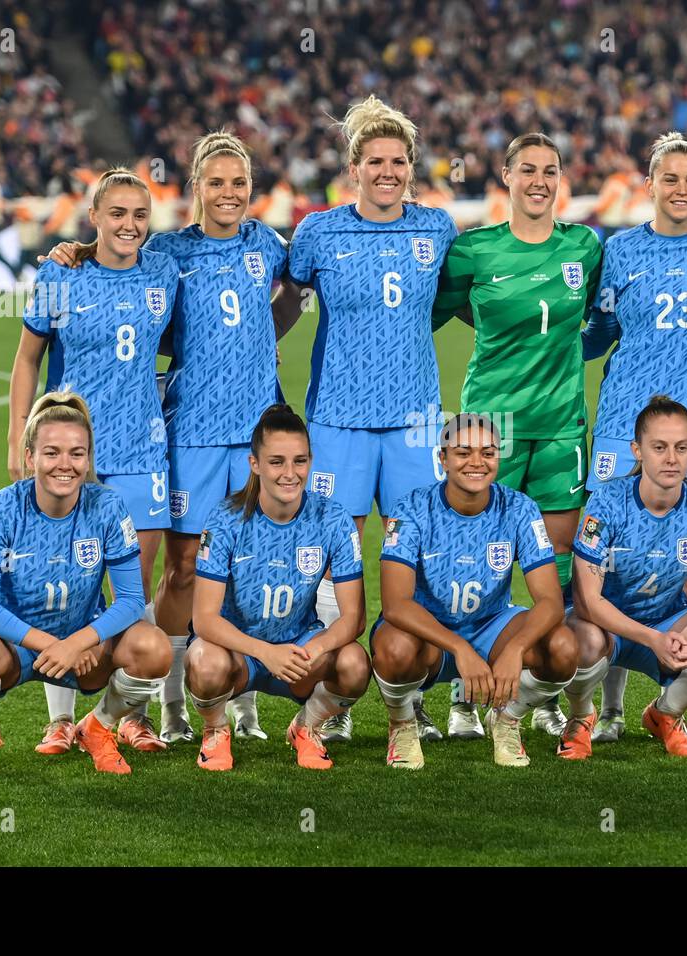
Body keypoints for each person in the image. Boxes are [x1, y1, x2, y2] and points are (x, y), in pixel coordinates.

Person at [40, 132, 302, 745]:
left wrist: (268, 334)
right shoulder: (168, 253)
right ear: (195, 188)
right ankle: (171, 706)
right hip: (190, 433)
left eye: (239, 182)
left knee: (255, 562)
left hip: (259, 432)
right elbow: (120, 268)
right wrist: (75, 249)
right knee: (183, 569)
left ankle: (243, 705)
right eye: (216, 182)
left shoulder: (268, 244)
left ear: (250, 189)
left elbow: (293, 293)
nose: (229, 192)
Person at [286, 96, 459, 743]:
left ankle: (407, 700)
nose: (387, 171)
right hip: (339, 418)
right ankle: (341, 695)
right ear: (353, 166)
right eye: (375, 161)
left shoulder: (436, 229)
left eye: (398, 161)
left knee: (415, 555)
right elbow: (280, 294)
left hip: (414, 421)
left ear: (410, 167)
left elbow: (451, 300)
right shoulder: (318, 232)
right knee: (336, 557)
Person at [432, 132, 602, 740]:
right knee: (475, 559)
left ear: (562, 179)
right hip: (490, 427)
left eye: (549, 170)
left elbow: (601, 323)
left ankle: (539, 689)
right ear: (505, 176)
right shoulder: (474, 251)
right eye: (526, 169)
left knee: (550, 568)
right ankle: (461, 694)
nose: (538, 180)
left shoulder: (585, 246)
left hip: (560, 427)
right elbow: (439, 309)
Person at [580, 131, 687, 743]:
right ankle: (609, 708)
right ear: (648, 185)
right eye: (669, 179)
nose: (681, 190)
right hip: (625, 417)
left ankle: (665, 707)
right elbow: (598, 330)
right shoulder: (619, 250)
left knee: (680, 555)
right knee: (618, 555)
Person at [9, 167, 178, 755]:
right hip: (69, 451)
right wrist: (18, 440)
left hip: (144, 450)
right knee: (68, 583)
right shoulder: (61, 272)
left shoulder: (163, 269)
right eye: (117, 214)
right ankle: (59, 718)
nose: (129, 225)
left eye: (139, 215)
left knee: (140, 588)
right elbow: (28, 358)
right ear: (95, 218)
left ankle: (119, 714)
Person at [0, 392, 171, 777]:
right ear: (30, 458)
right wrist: (56, 646)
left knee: (153, 647)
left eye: (76, 453)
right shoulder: (0, 508)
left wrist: (81, 640)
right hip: (16, 647)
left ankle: (97, 728)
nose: (64, 465)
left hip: (86, 649)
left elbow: (132, 600)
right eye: (51, 453)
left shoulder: (107, 507)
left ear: (88, 458)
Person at [370, 413, 579, 769]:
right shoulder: (411, 508)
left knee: (562, 646)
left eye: (488, 452)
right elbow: (395, 604)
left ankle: (507, 717)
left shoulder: (518, 508)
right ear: (442, 459)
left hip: (490, 626)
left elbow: (550, 601)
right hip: (428, 632)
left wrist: (515, 648)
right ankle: (402, 723)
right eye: (463, 452)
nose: (477, 463)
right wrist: (459, 647)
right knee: (394, 648)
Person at [185, 405, 369, 771]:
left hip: (300, 647)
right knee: (204, 663)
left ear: (311, 461)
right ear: (254, 464)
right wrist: (266, 652)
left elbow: (354, 618)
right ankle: (215, 730)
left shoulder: (333, 519)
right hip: (236, 652)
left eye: (299, 461)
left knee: (354, 664)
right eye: (277, 462)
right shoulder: (226, 519)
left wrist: (316, 647)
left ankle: (306, 728)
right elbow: (204, 620)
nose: (290, 474)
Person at [562, 397, 687, 760]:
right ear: (637, 450)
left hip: (667, 620)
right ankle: (581, 716)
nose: (671, 458)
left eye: (681, 447)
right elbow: (587, 600)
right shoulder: (607, 500)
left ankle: (665, 714)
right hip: (605, 624)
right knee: (581, 644)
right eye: (659, 447)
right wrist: (653, 639)